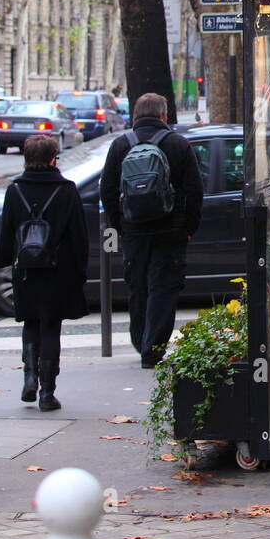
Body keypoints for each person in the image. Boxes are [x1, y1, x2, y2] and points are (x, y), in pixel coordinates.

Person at [100, 92, 203, 368]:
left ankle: (140, 340)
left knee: (139, 287)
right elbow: (194, 191)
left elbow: (107, 190)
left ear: (135, 115)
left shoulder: (121, 145)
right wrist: (188, 227)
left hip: (135, 231)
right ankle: (153, 348)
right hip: (171, 231)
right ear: (163, 115)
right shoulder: (178, 145)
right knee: (164, 288)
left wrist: (120, 224)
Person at [0, 132, 89, 411]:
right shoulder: (67, 189)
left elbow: (7, 231)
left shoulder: (15, 190)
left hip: (26, 270)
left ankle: (29, 377)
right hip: (58, 270)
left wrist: (6, 262)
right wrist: (79, 271)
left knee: (31, 324)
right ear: (53, 159)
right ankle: (47, 393)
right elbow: (78, 237)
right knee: (51, 326)